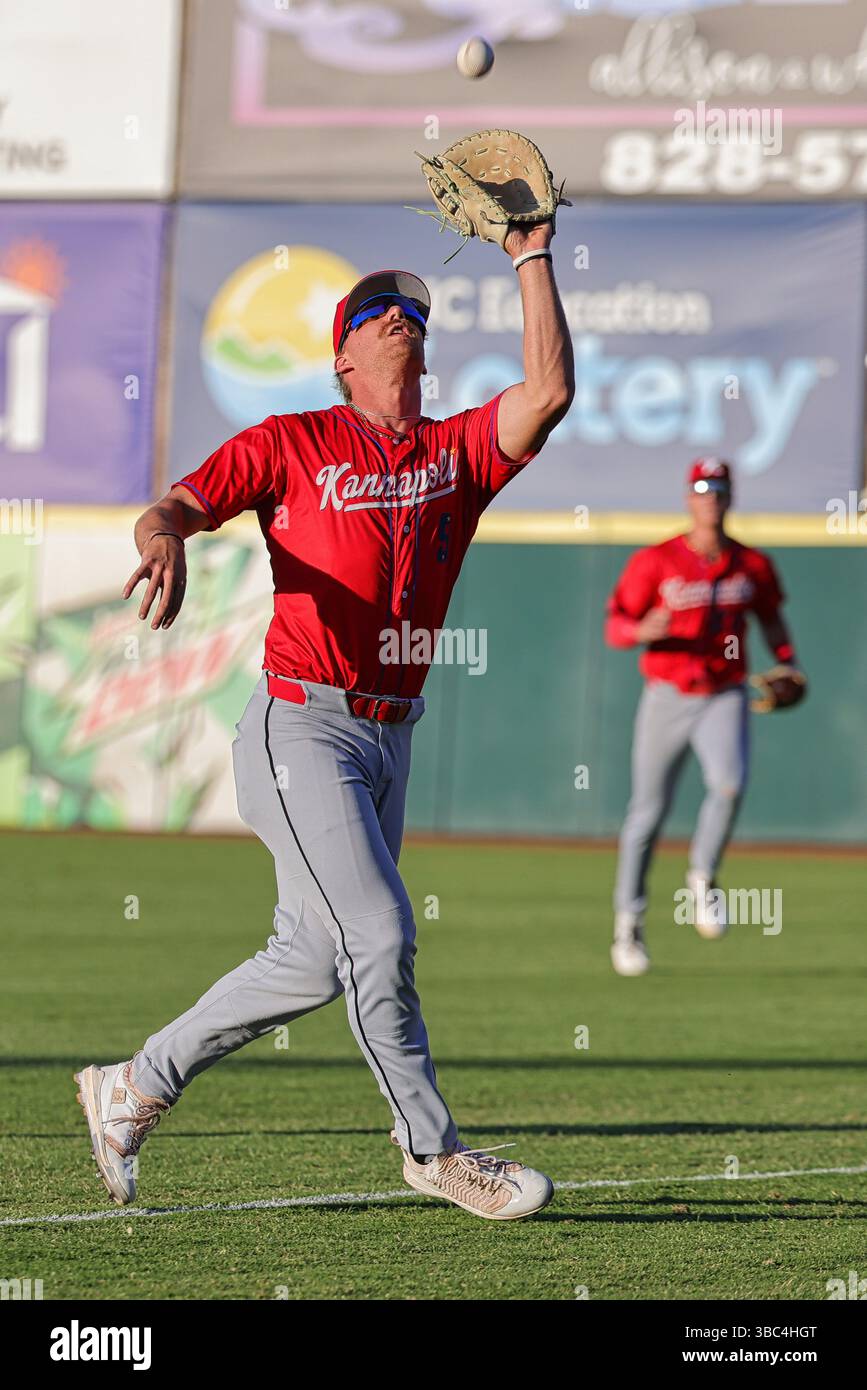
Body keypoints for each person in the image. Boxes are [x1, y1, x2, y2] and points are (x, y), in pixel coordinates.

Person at [74, 229, 574, 1221]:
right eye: (377, 310)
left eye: (415, 313)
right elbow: (173, 505)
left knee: (312, 958)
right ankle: (434, 1150)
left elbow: (548, 395)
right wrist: (162, 537)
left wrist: (530, 256)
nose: (402, 317)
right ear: (342, 358)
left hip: (392, 736)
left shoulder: (457, 453)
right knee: (381, 933)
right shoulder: (290, 441)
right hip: (301, 726)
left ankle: (131, 1086)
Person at [605, 459, 802, 977]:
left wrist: (787, 660)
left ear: (729, 496)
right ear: (688, 498)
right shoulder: (657, 560)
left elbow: (771, 615)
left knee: (729, 785)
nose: (709, 497)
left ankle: (702, 880)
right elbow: (616, 625)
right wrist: (641, 629)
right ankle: (629, 925)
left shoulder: (750, 564)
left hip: (725, 692)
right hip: (668, 693)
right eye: (700, 488)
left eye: (717, 488)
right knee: (646, 815)